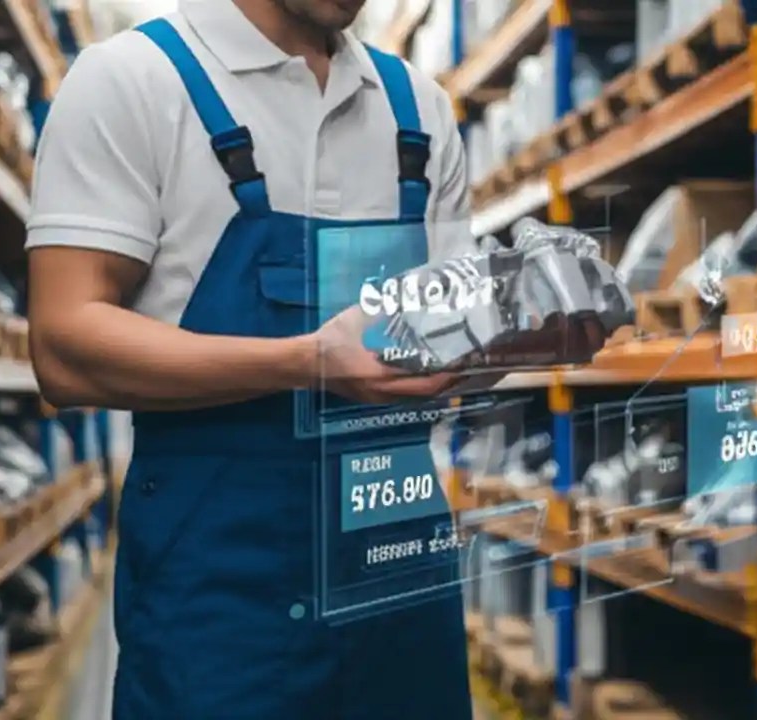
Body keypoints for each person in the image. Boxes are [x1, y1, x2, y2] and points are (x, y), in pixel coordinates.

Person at [25, 0, 475, 717]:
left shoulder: (418, 110)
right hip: (221, 591)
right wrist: (308, 360)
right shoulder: (134, 79)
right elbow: (64, 347)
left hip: (400, 573)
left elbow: (449, 334)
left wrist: (526, 337)